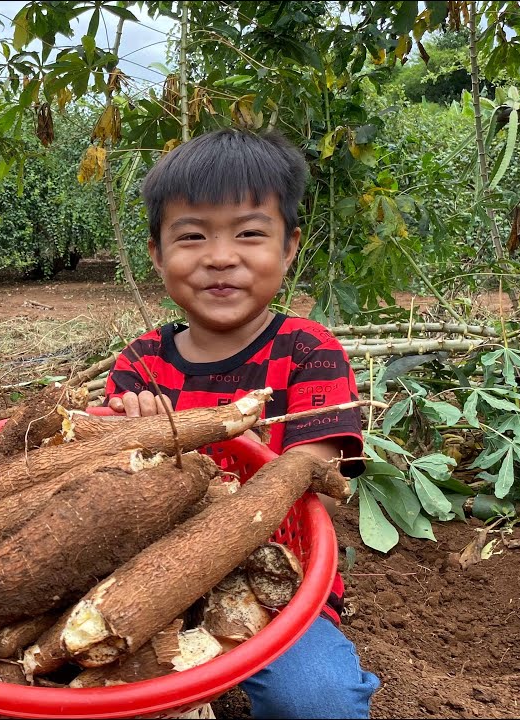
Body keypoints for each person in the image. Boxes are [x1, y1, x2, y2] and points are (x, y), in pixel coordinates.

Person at [104, 128, 380, 718]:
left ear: (289, 247)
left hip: (274, 577)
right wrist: (125, 437)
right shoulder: (139, 364)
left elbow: (317, 471)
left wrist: (240, 454)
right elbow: (105, 480)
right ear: (157, 253)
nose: (220, 256)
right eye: (193, 235)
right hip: (140, 577)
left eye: (250, 234)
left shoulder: (310, 352)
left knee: (315, 701)